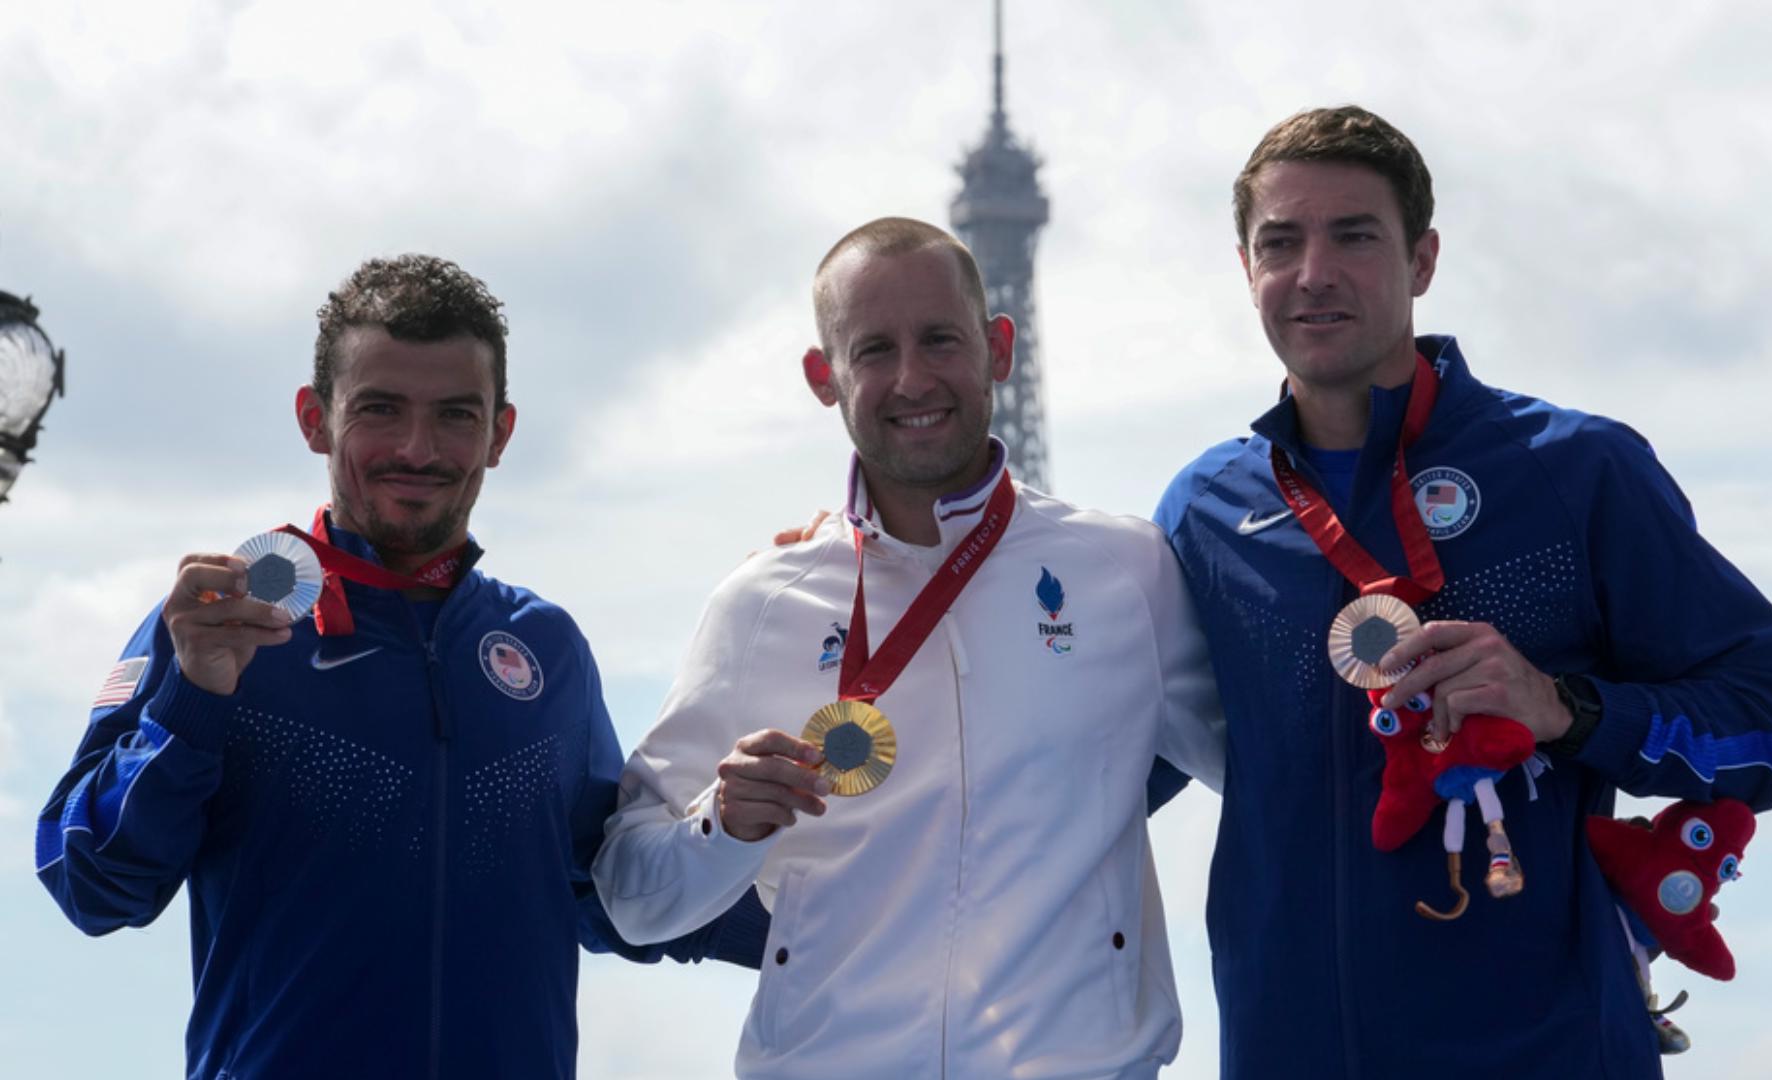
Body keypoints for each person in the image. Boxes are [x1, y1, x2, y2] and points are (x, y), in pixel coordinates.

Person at [1152, 106, 1772, 1078]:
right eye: (1280, 242)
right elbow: (1106, 770)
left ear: (1422, 260)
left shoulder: (1576, 472)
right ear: (1245, 267)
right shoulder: (1204, 511)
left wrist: (1566, 708)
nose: (1314, 272)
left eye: (1355, 236)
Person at [34, 254, 745, 1080]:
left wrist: (802, 887)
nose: (419, 447)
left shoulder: (546, 650)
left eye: (454, 414)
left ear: (500, 433)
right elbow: (91, 888)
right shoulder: (218, 626)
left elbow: (619, 901)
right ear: (315, 419)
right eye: (380, 409)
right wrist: (191, 703)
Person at [593, 217, 1225, 1079]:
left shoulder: (1129, 573)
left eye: (940, 340)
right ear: (824, 377)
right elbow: (630, 899)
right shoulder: (760, 604)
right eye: (873, 350)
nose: (912, 378)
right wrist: (722, 825)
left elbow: (1283, 779)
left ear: (999, 347)